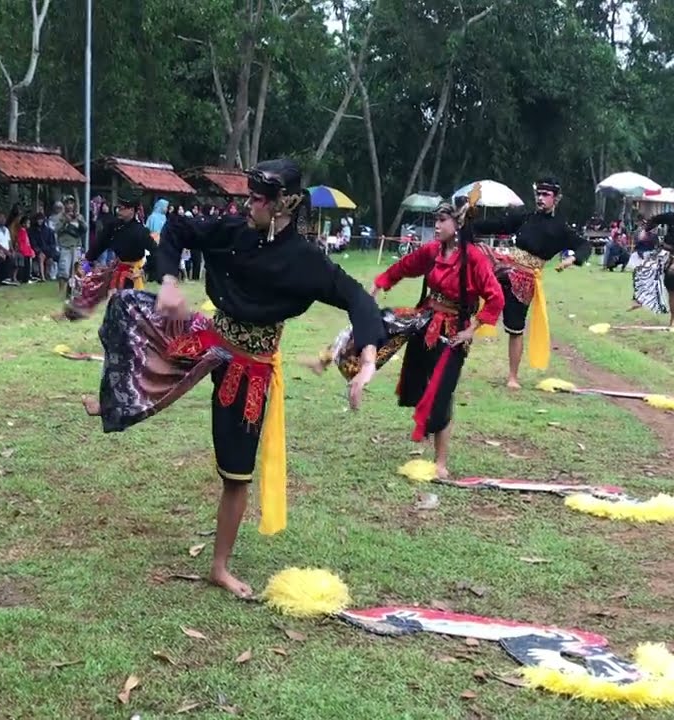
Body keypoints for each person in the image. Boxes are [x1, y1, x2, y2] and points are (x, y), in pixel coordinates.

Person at [72, 158, 385, 598]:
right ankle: (114, 400)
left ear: (285, 205)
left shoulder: (305, 261)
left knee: (235, 474)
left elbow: (357, 298)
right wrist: (167, 280)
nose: (248, 204)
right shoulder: (235, 230)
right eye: (249, 196)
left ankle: (219, 566)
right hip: (208, 334)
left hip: (251, 367)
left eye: (257, 199)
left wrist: (368, 358)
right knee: (128, 310)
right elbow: (179, 230)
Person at [313, 200, 503, 479]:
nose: (436, 226)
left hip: (453, 333)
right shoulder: (433, 251)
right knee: (381, 324)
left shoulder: (473, 258)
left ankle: (440, 461)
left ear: (458, 225)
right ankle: (333, 358)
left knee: (441, 392)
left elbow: (495, 297)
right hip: (425, 320)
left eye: (442, 221)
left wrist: (472, 329)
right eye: (435, 220)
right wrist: (377, 287)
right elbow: (403, 267)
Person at [467, 177, 591, 388]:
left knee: (515, 328)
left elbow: (584, 245)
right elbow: (499, 224)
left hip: (524, 279)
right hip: (504, 267)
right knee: (470, 287)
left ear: (556, 198)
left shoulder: (560, 228)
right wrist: (469, 221)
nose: (541, 198)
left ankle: (513, 377)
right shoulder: (525, 217)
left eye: (546, 195)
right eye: (538, 194)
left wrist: (572, 259)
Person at [64, 192, 156, 317]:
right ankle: (78, 309)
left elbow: (157, 251)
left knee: (130, 311)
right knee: (103, 295)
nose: (119, 211)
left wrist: (144, 270)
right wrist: (84, 262)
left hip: (132, 275)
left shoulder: (141, 231)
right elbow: (98, 246)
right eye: (119, 207)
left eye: (123, 208)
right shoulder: (113, 227)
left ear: (132, 210)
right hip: (117, 270)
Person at [629, 192, 674, 325]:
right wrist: (646, 231)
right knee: (643, 270)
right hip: (663, 252)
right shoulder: (673, 217)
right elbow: (655, 219)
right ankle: (638, 300)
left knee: (672, 288)